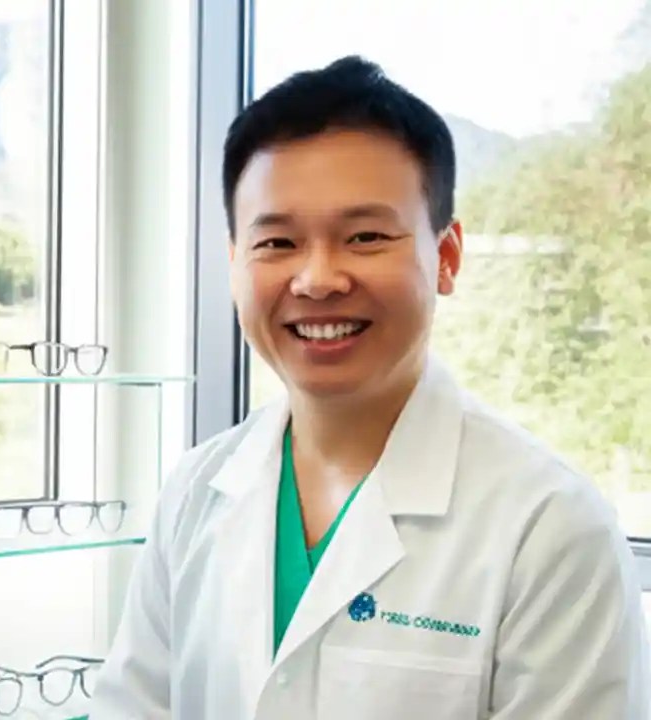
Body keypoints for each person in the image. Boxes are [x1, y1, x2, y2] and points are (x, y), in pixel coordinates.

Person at [88, 55, 649, 719]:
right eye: (277, 243)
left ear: (446, 257)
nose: (318, 280)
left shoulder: (550, 526)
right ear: (235, 263)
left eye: (365, 236)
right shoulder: (195, 493)